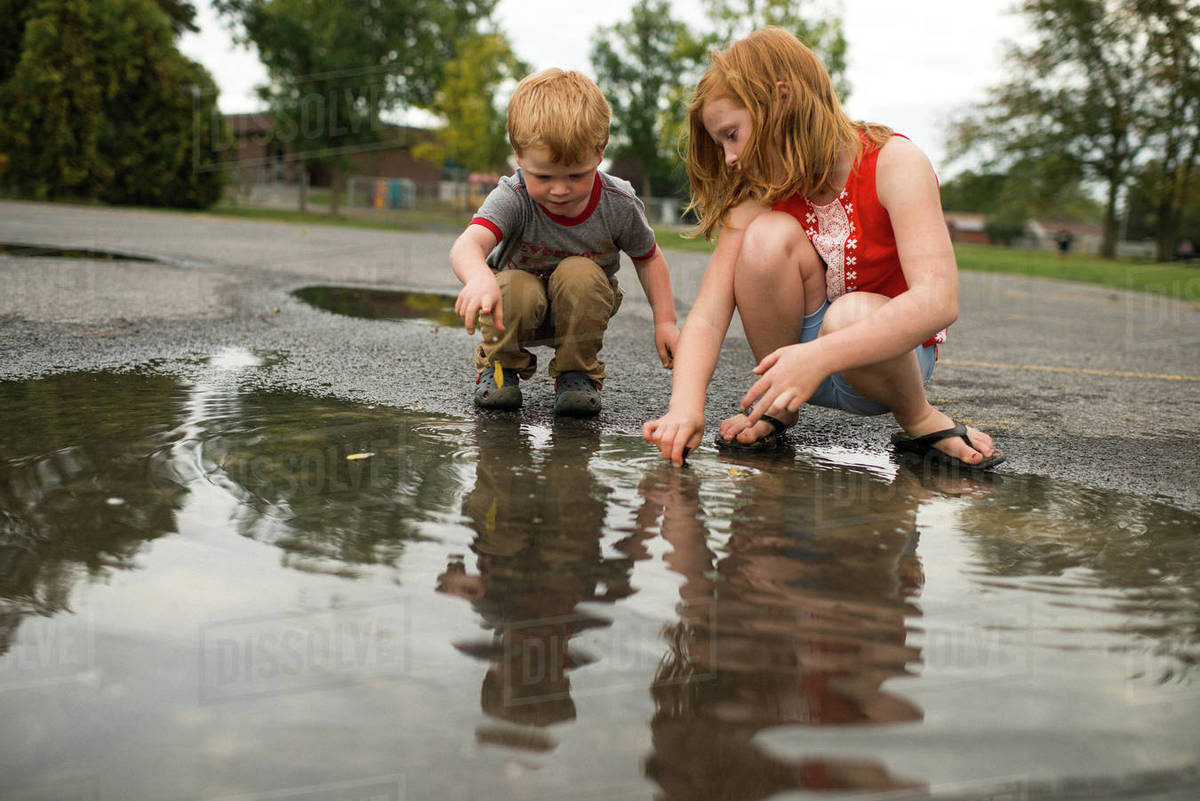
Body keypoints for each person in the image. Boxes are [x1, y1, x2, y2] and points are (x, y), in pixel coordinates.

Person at [643, 28, 1003, 470]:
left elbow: (938, 301)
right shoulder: (763, 191)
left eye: (732, 135)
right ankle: (777, 408)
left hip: (886, 367)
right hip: (791, 370)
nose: (729, 158)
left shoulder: (894, 163)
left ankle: (921, 418)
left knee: (848, 314)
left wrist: (817, 356)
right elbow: (708, 313)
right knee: (764, 238)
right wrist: (684, 407)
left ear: (781, 99)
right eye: (721, 144)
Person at [450, 68, 679, 416]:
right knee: (513, 285)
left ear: (599, 154)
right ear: (518, 156)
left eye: (576, 175)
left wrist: (665, 321)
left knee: (581, 274)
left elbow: (648, 257)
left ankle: (577, 374)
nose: (559, 189)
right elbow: (467, 245)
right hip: (516, 307)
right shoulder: (514, 195)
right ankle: (499, 368)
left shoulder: (617, 201)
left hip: (580, 307)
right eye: (543, 176)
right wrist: (479, 277)